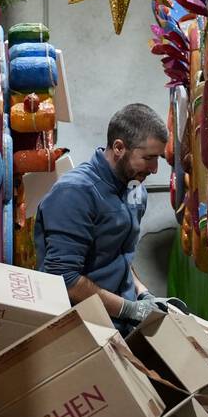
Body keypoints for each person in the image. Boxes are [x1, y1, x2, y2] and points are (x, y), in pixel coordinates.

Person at [34, 103, 167, 333]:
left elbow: (120, 255)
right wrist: (130, 310)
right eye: (149, 158)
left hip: (120, 327)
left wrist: (142, 293)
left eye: (158, 159)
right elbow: (64, 279)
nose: (155, 169)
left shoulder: (135, 190)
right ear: (118, 147)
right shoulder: (75, 193)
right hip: (78, 331)